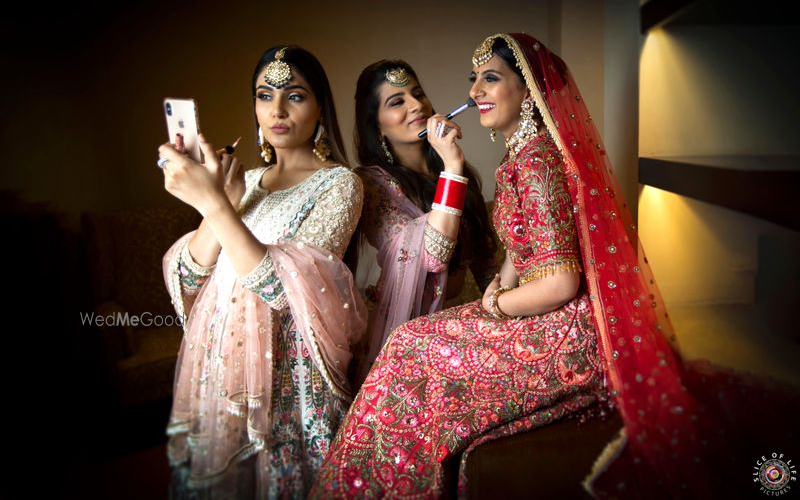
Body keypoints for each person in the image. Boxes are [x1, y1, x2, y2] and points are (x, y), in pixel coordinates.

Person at [310, 34, 800, 498]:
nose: (472, 91)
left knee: (414, 350)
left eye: (490, 79)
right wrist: (497, 291)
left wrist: (496, 305)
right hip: (522, 304)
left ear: (530, 91)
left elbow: (559, 278)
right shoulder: (412, 176)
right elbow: (505, 252)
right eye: (472, 80)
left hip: (564, 321)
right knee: (407, 346)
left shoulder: (534, 159)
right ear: (377, 122)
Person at [158, 45, 366, 499]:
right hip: (224, 362)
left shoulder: (340, 184)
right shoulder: (246, 181)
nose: (275, 109)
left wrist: (213, 203)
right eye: (264, 94)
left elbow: (286, 290)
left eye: (294, 95)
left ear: (319, 107)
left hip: (290, 372)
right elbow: (189, 279)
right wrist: (222, 203)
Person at [351, 60, 496, 384]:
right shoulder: (371, 185)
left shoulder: (453, 173)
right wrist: (453, 166)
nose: (416, 105)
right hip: (406, 343)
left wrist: (506, 313)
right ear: (376, 125)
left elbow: (485, 263)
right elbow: (432, 253)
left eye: (417, 93)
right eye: (396, 101)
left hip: (461, 327)